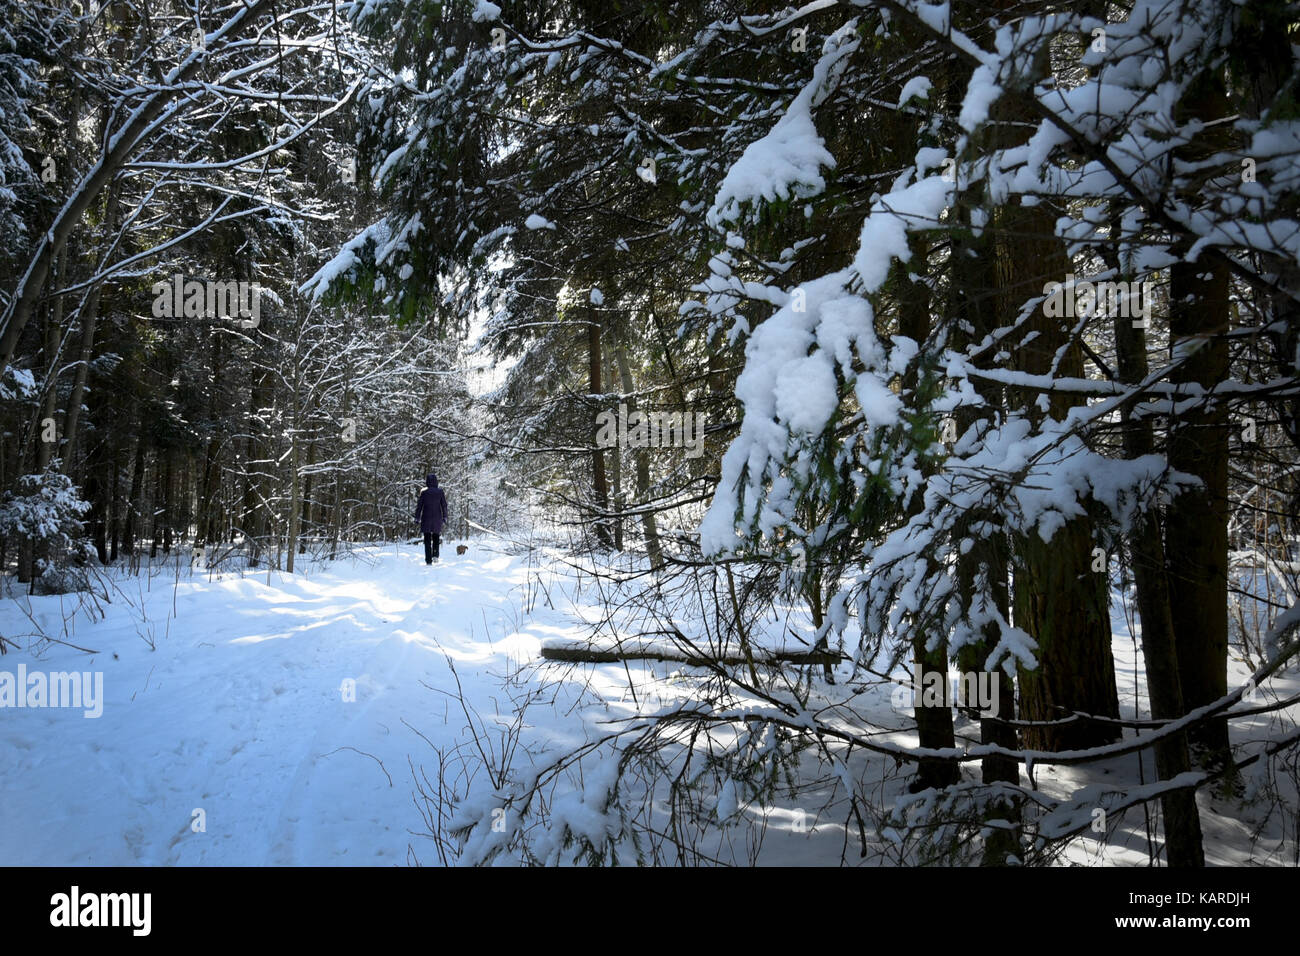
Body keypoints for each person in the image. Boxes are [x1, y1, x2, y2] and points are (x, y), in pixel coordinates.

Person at [415, 472, 449, 564]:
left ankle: (428, 560)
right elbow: (444, 505)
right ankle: (435, 555)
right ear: (436, 481)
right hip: (437, 518)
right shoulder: (440, 492)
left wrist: (417, 517)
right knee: (436, 537)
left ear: (427, 482)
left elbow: (419, 506)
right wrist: (445, 516)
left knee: (427, 539)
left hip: (426, 518)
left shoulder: (424, 493)